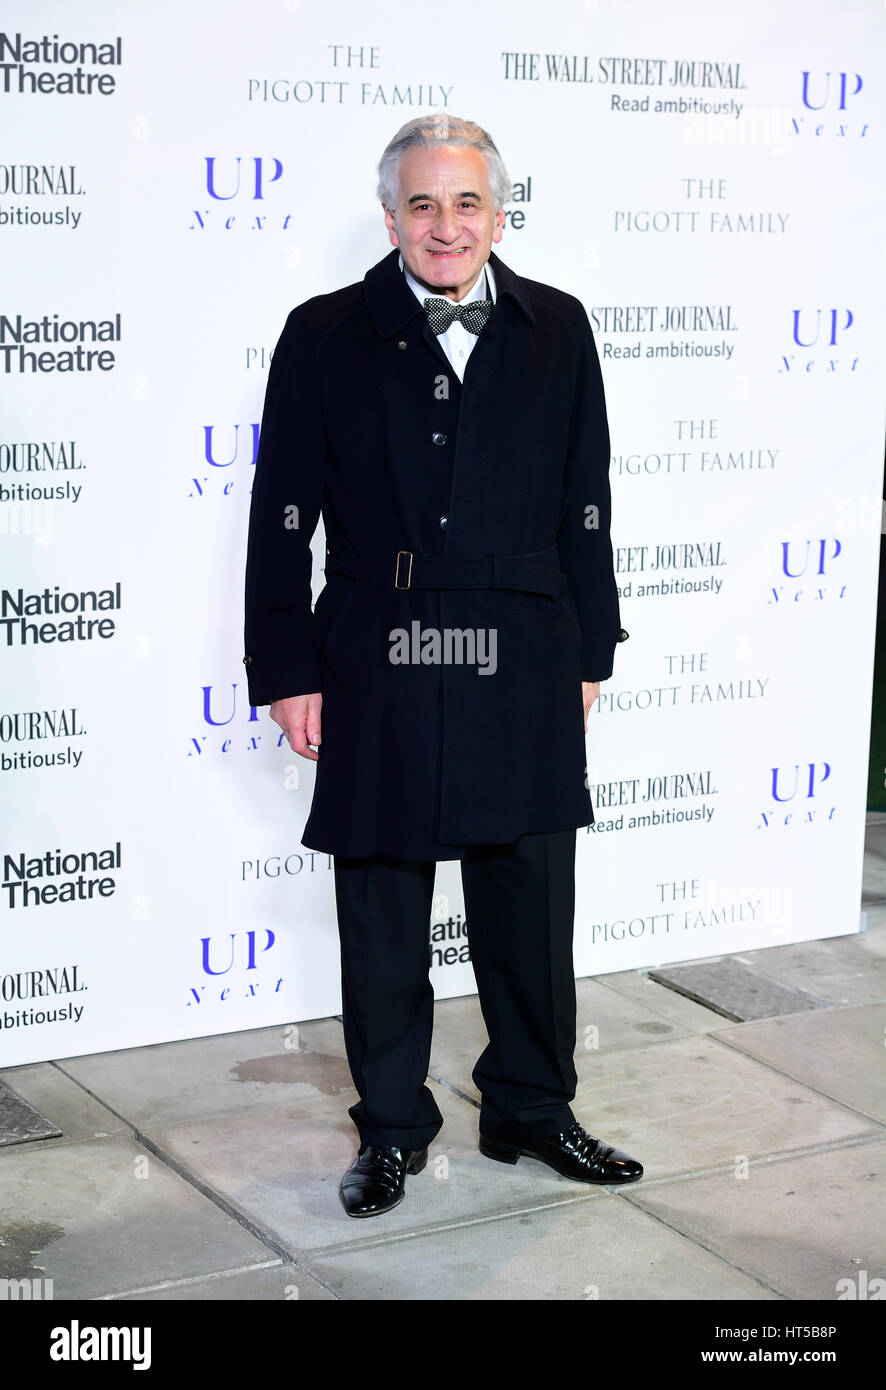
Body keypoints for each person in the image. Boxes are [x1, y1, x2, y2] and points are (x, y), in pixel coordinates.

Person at [243, 114, 642, 1218]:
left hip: (524, 644)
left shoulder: (556, 326)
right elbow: (282, 520)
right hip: (377, 642)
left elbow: (585, 501)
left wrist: (591, 645)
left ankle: (527, 1102)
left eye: (466, 202)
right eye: (422, 203)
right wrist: (285, 664)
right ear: (389, 216)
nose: (445, 224)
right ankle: (389, 1127)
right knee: (381, 904)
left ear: (499, 213)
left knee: (528, 894)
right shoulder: (324, 333)